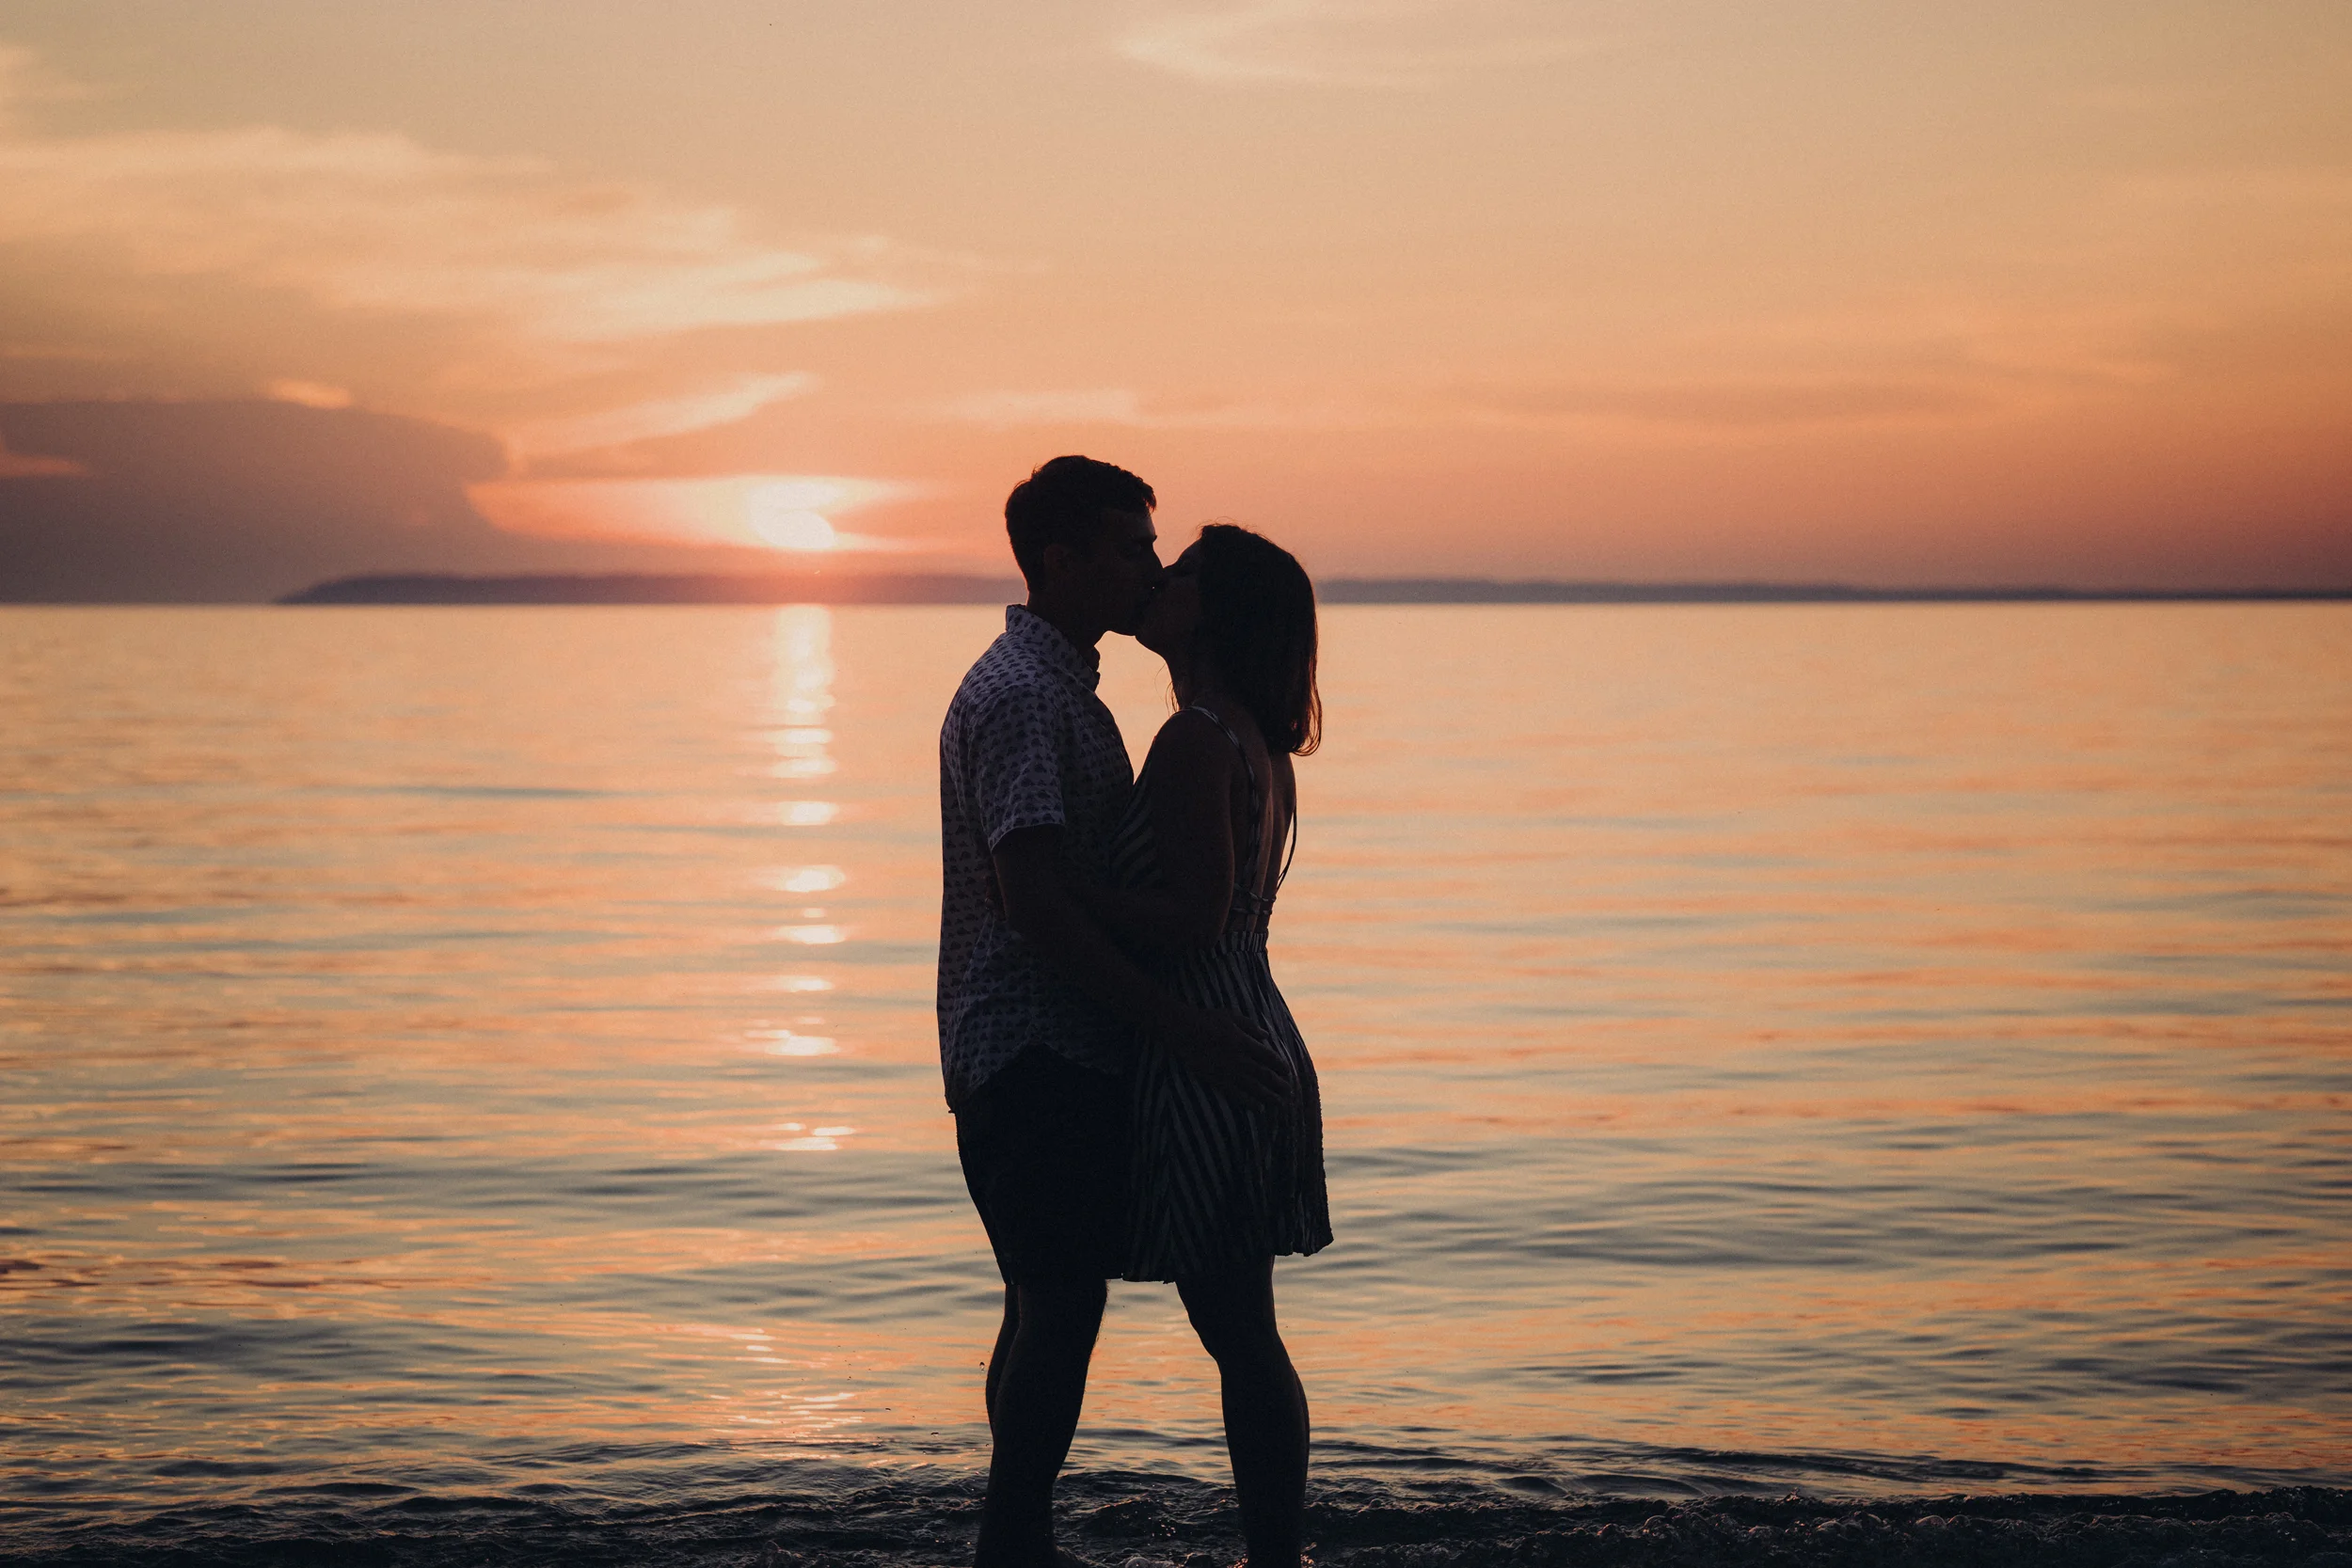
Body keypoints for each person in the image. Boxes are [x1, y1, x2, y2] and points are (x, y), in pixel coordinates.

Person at [937, 459, 1290, 1568]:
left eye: (1160, 554)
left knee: (1055, 1301)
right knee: (1058, 1302)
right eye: (1135, 546)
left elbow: (1122, 898)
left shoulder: (1087, 699)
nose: (1149, 565)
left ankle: (1017, 1537)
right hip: (1039, 1045)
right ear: (1063, 560)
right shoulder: (1030, 697)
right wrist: (1181, 1027)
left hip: (1095, 1042)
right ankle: (1015, 1541)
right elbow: (1033, 899)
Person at [1080, 523, 1331, 1568]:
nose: (1158, 579)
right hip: (1251, 1017)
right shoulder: (1252, 741)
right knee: (1243, 1325)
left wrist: (1053, 894)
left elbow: (1192, 911)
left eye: (1180, 571)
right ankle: (1275, 1548)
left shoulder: (1193, 738)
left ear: (1214, 612)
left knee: (1236, 1328)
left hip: (1208, 1043)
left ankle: (1276, 1554)